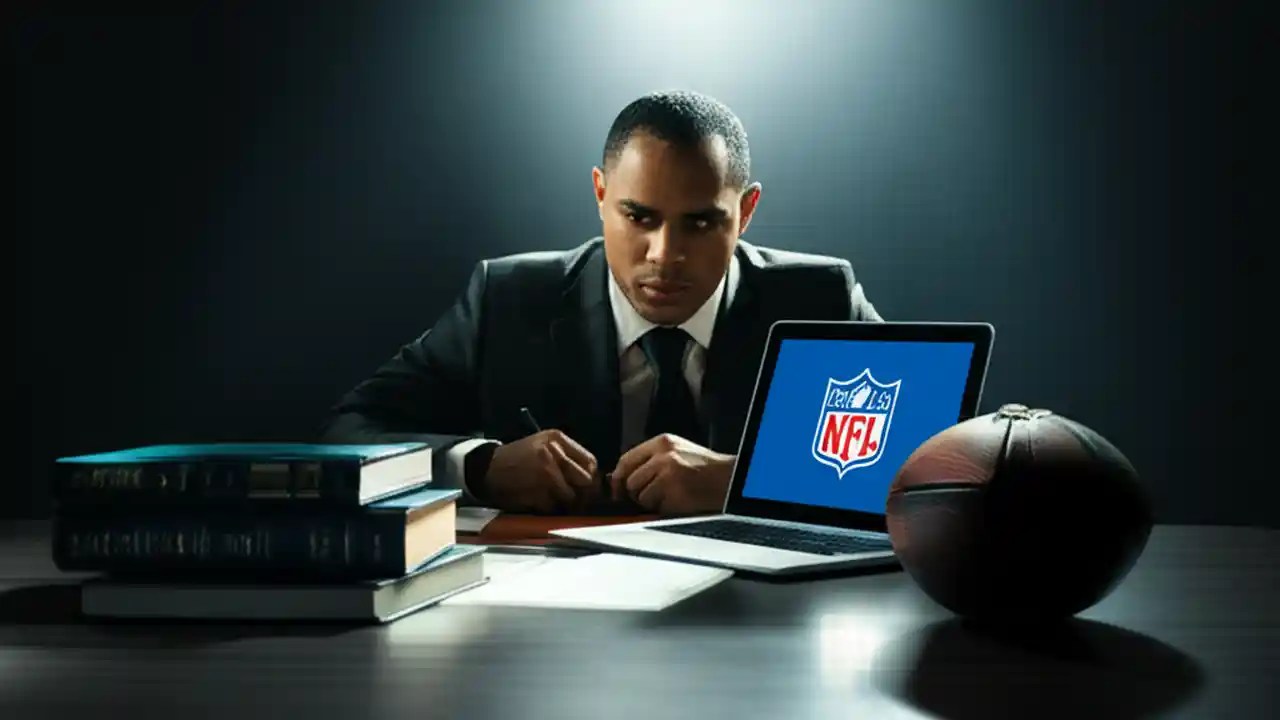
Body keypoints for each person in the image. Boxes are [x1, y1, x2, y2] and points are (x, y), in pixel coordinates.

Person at [322, 89, 882, 516]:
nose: (665, 254)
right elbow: (349, 432)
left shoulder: (820, 299)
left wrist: (744, 479)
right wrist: (481, 467)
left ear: (747, 211)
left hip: (768, 612)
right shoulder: (508, 300)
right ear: (600, 194)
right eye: (639, 216)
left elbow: (923, 459)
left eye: (700, 223)